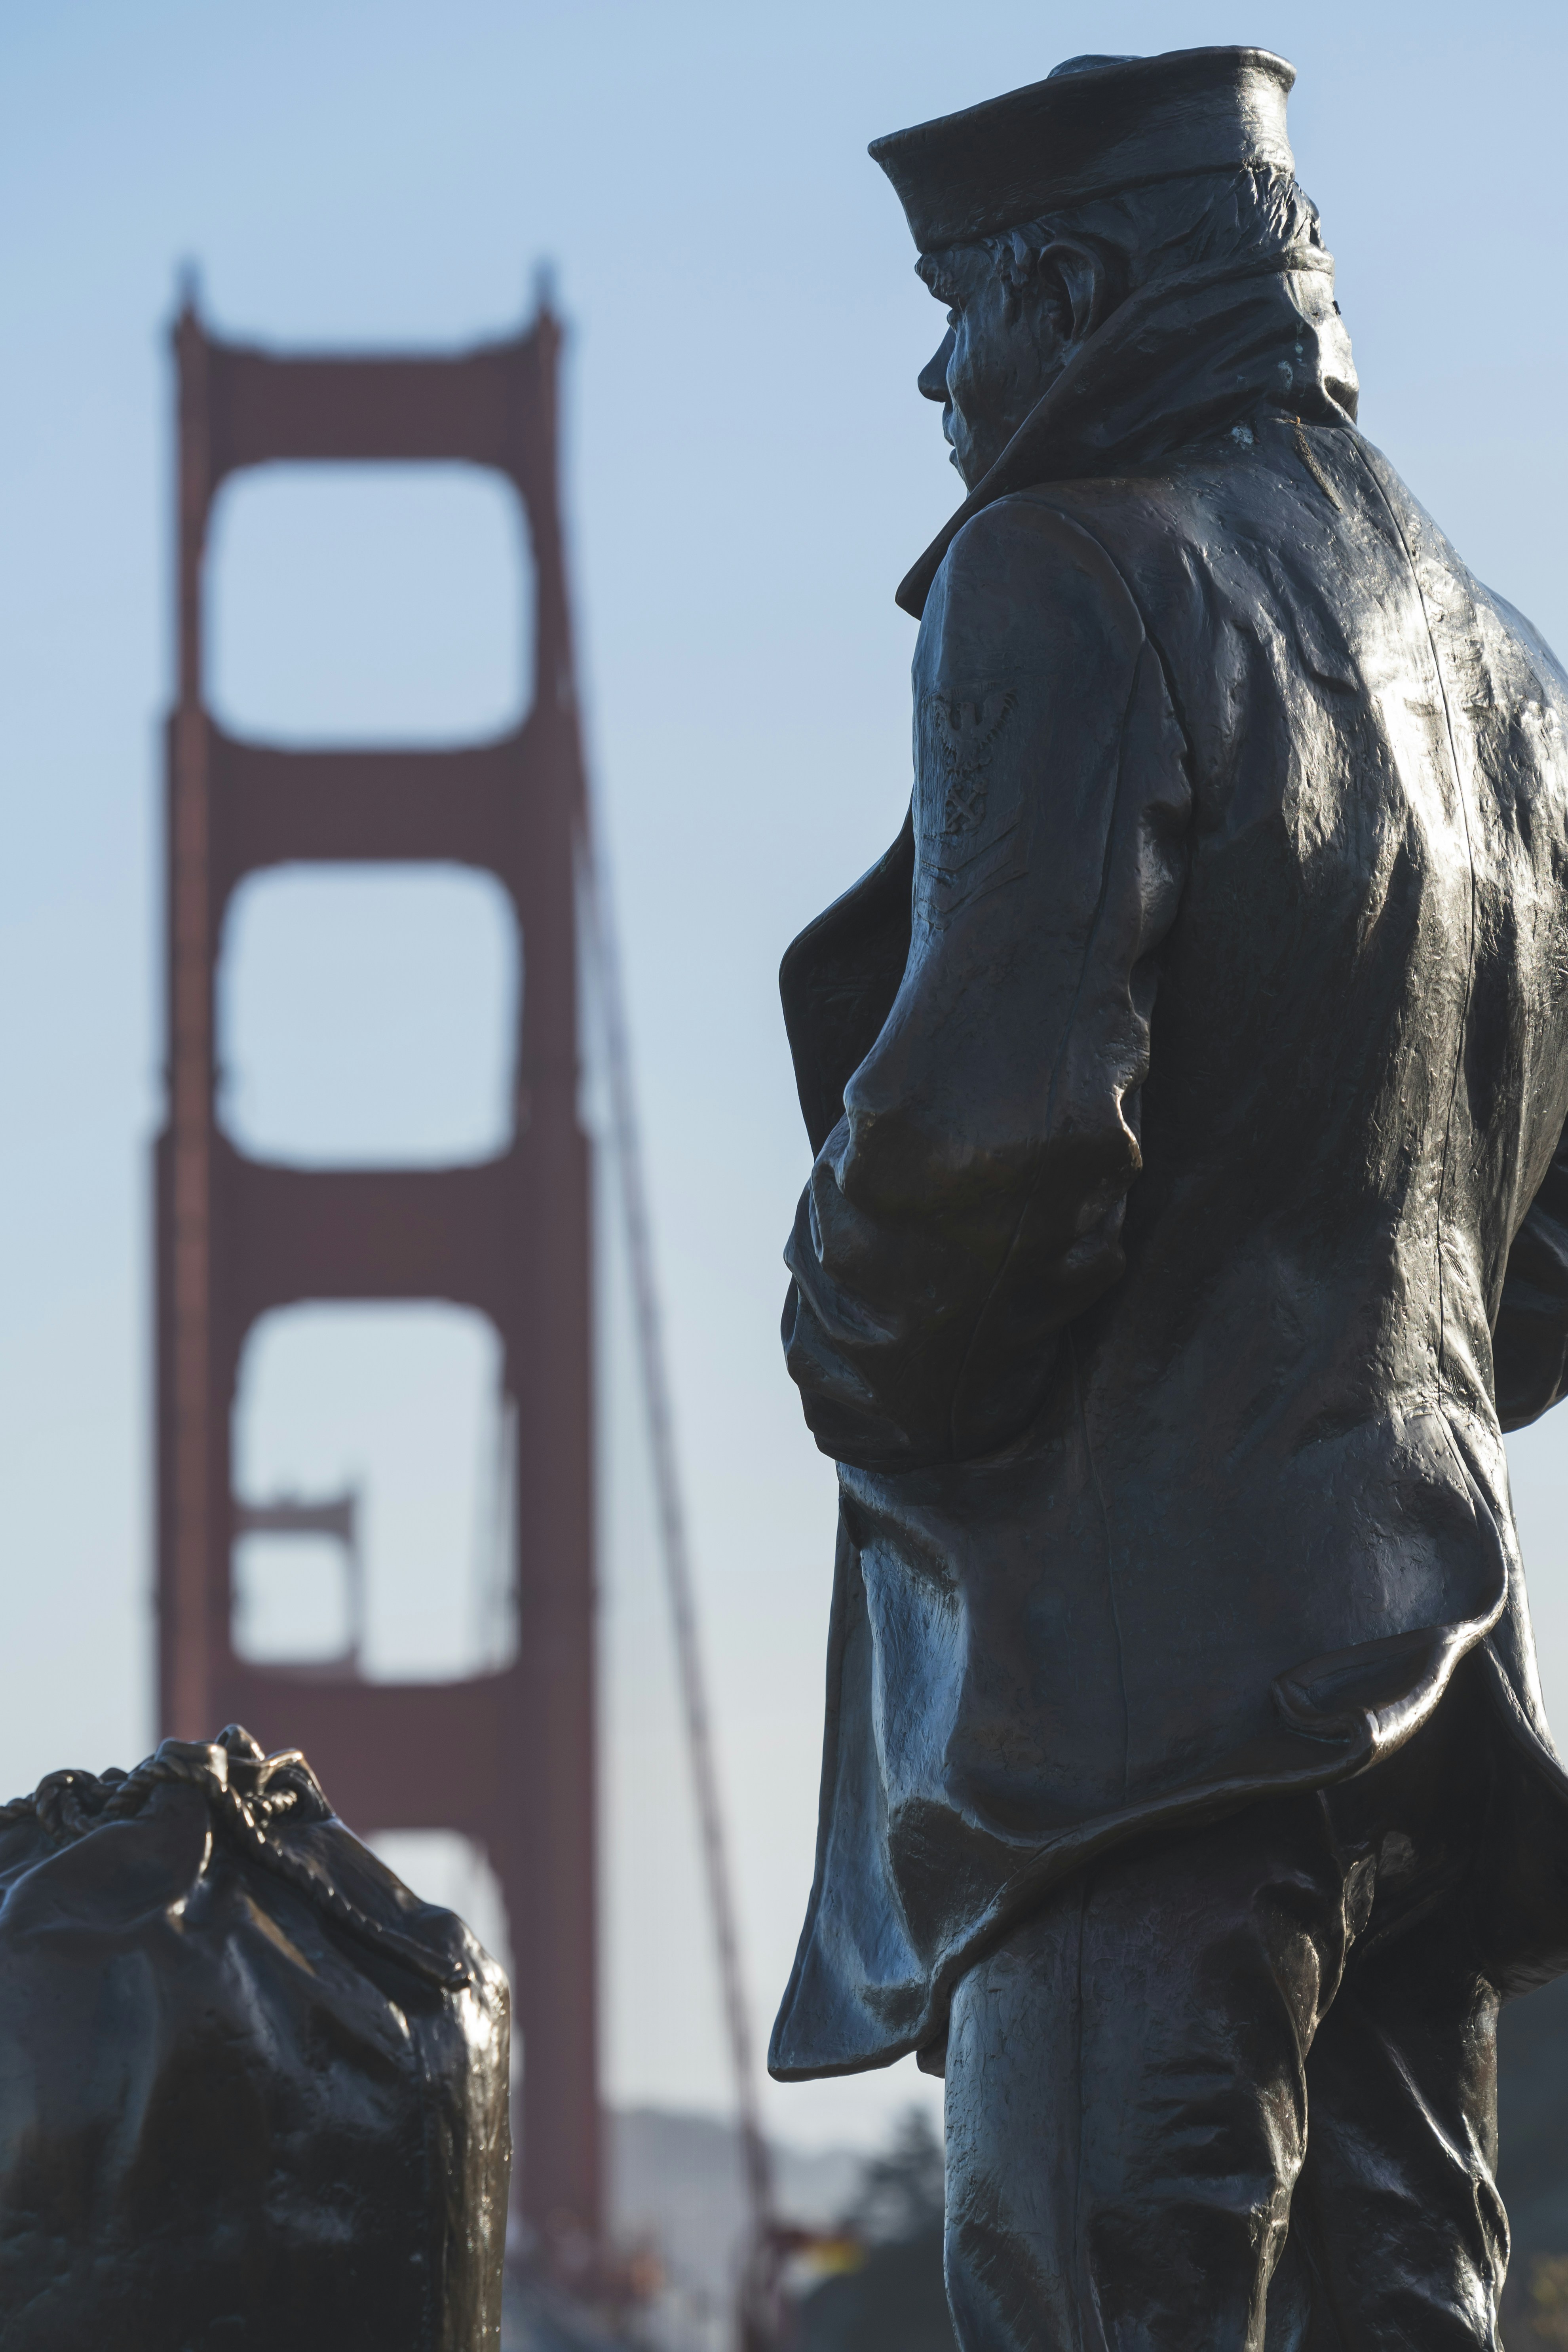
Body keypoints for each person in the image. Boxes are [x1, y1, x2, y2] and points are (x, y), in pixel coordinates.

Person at [767, 46, 1568, 2352]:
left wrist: (845, 1319)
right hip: (1431, 1697)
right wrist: (1347, 1378)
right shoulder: (1507, 675)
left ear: (1084, 290)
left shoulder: (1067, 572)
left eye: (963, 307)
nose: (938, 372)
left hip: (1142, 1729)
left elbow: (991, 1148)